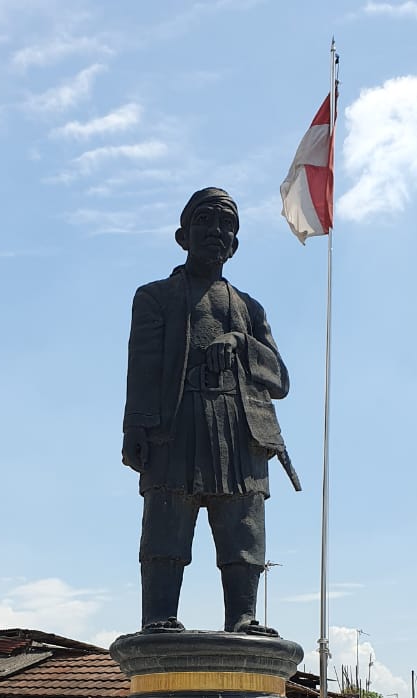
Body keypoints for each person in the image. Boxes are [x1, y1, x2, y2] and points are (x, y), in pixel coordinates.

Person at [122, 187, 299, 635]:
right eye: (206, 221)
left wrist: (240, 344)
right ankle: (158, 616)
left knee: (243, 528)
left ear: (235, 245)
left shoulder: (250, 309)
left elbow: (280, 379)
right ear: (184, 235)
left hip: (240, 429)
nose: (216, 232)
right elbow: (141, 367)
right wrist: (135, 428)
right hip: (176, 424)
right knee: (165, 526)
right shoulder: (155, 297)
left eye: (226, 225)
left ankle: (243, 617)